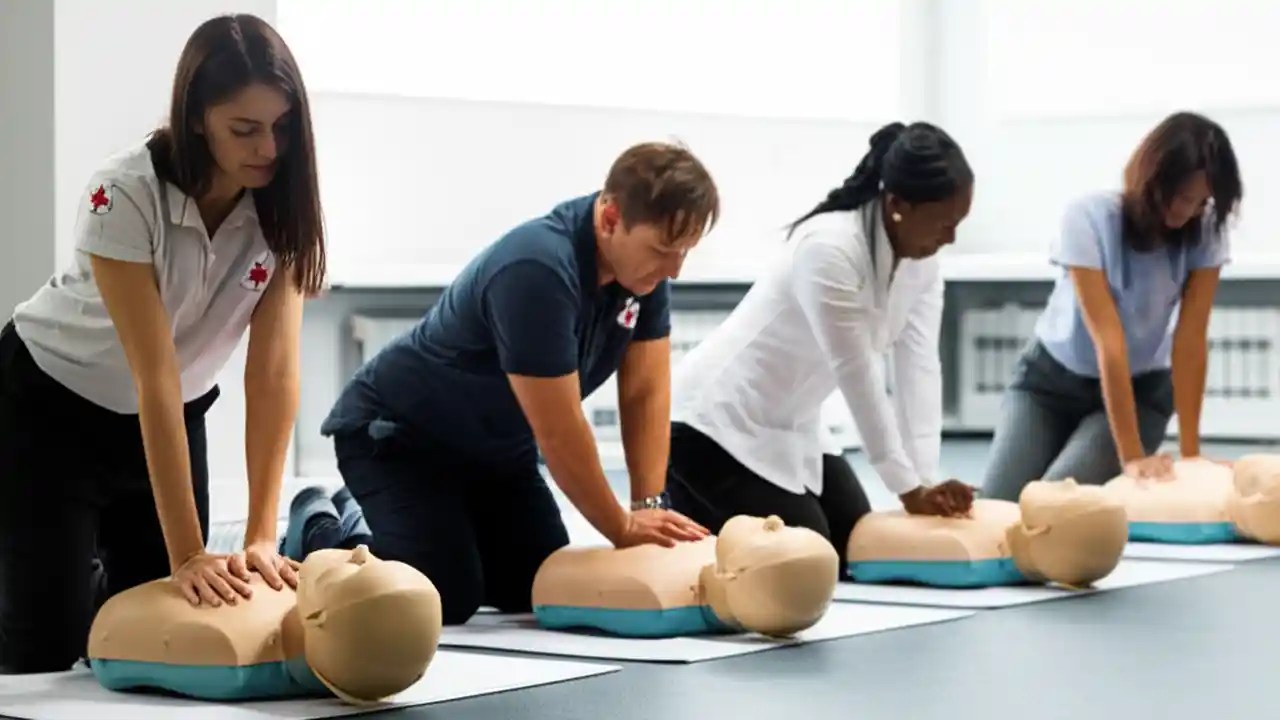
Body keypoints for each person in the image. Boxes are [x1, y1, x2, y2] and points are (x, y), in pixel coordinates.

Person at [0, 14, 325, 673]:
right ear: (198, 116)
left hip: (171, 416)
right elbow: (154, 374)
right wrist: (189, 553)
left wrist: (262, 535)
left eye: (282, 126)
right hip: (47, 408)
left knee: (167, 630)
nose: (269, 147)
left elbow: (273, 376)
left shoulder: (281, 207)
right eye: (246, 129)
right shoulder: (121, 194)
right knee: (45, 650)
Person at [288, 142, 719, 624]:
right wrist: (621, 527)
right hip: (400, 439)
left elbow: (644, 394)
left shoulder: (644, 276)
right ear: (611, 217)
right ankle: (322, 521)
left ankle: (419, 526)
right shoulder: (537, 268)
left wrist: (647, 506)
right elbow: (559, 430)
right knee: (442, 595)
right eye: (663, 250)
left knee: (537, 584)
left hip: (497, 450)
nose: (674, 269)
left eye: (684, 252)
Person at [664, 121, 977, 567]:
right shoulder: (829, 247)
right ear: (897, 205)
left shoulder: (921, 263)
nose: (951, 238)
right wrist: (907, 489)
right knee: (808, 556)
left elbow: (919, 368)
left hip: (793, 427)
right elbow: (858, 375)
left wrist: (926, 478)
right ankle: (680, 492)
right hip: (709, 426)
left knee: (856, 544)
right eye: (946, 223)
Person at [981, 112, 1243, 501]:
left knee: (1052, 503)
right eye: (1182, 197)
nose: (1187, 212)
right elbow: (1109, 340)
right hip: (1048, 384)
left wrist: (1191, 456)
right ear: (1153, 179)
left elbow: (1189, 341)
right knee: (997, 504)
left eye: (1201, 202)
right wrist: (1132, 457)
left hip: (1141, 395)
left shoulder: (1205, 232)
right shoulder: (1087, 217)